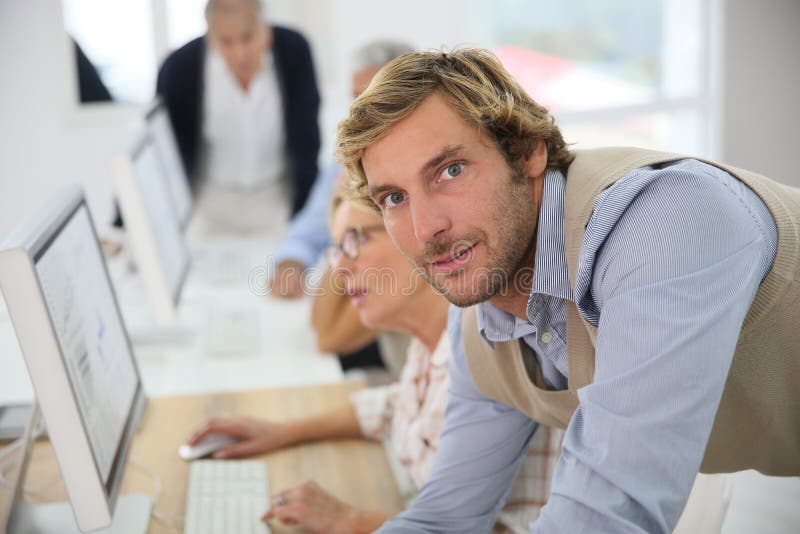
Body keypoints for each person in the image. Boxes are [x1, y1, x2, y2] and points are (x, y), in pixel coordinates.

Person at [335, 48, 800, 532]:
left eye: (450, 170)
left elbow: (603, 519)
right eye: (394, 197)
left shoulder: (665, 222)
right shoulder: (478, 314)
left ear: (526, 150)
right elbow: (444, 519)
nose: (426, 227)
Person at [185, 190, 564, 533]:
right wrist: (283, 430)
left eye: (358, 240)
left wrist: (347, 521)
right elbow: (393, 406)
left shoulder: (485, 358)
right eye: (337, 248)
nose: (340, 268)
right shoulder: (429, 344)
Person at [156, 0, 320, 232]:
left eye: (248, 38)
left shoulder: (295, 51)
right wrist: (119, 224)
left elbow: (308, 137)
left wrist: (308, 210)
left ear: (265, 29)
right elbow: (160, 147)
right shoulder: (179, 67)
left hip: (276, 196)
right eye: (226, 42)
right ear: (210, 37)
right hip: (211, 200)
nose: (240, 54)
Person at [270, 40, 414, 299]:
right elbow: (307, 230)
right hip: (341, 298)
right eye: (356, 98)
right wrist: (290, 263)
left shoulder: (422, 165)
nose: (359, 112)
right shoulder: (345, 161)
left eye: (372, 96)